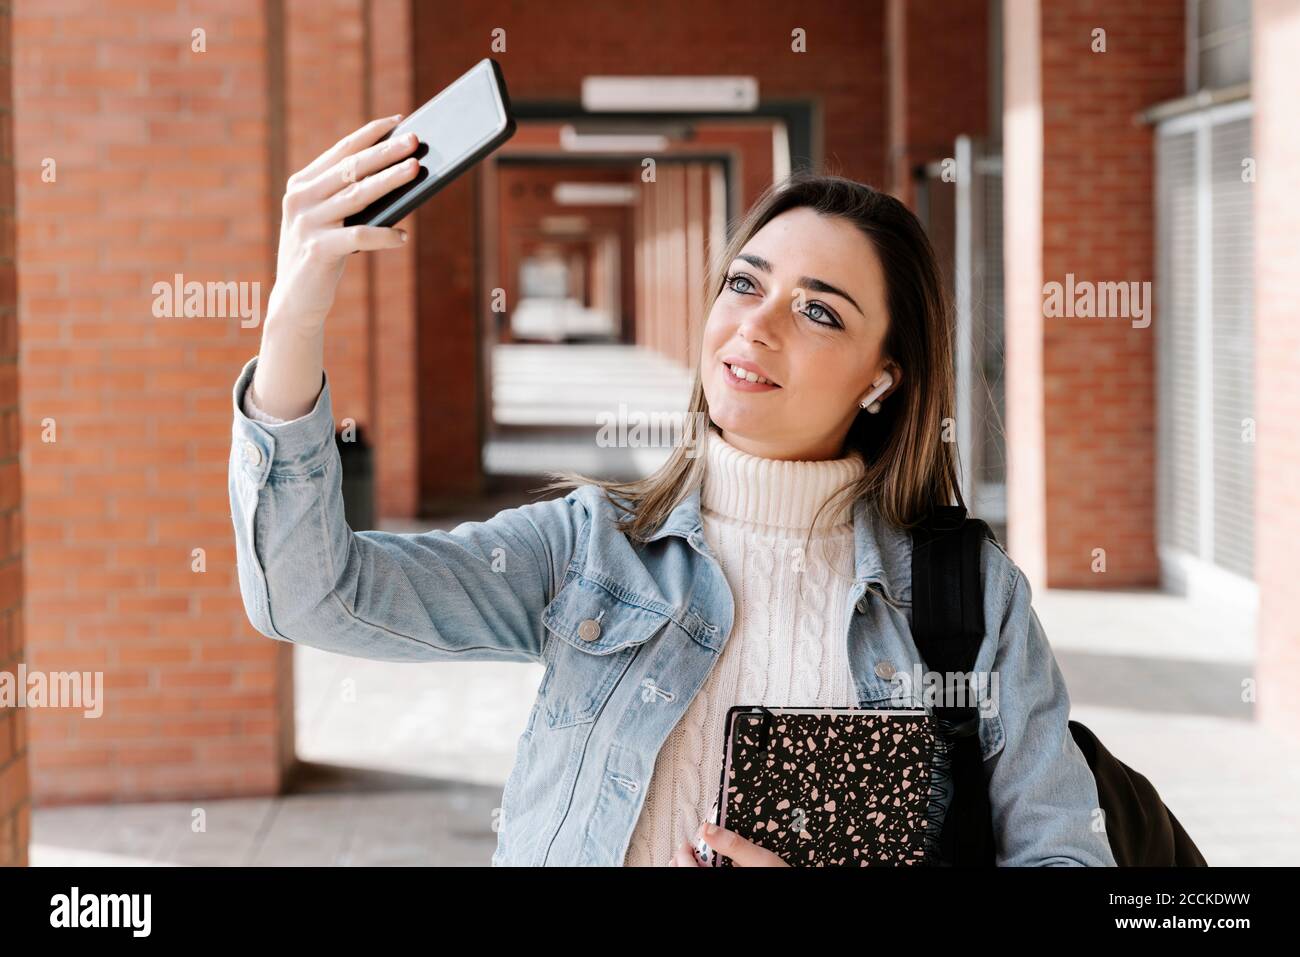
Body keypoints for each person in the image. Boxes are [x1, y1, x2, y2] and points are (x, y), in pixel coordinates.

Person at [228, 114, 1115, 867]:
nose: (755, 326)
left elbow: (1066, 851)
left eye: (818, 310)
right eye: (744, 282)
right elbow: (314, 595)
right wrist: (296, 312)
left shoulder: (968, 598)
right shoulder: (589, 550)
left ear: (882, 378)